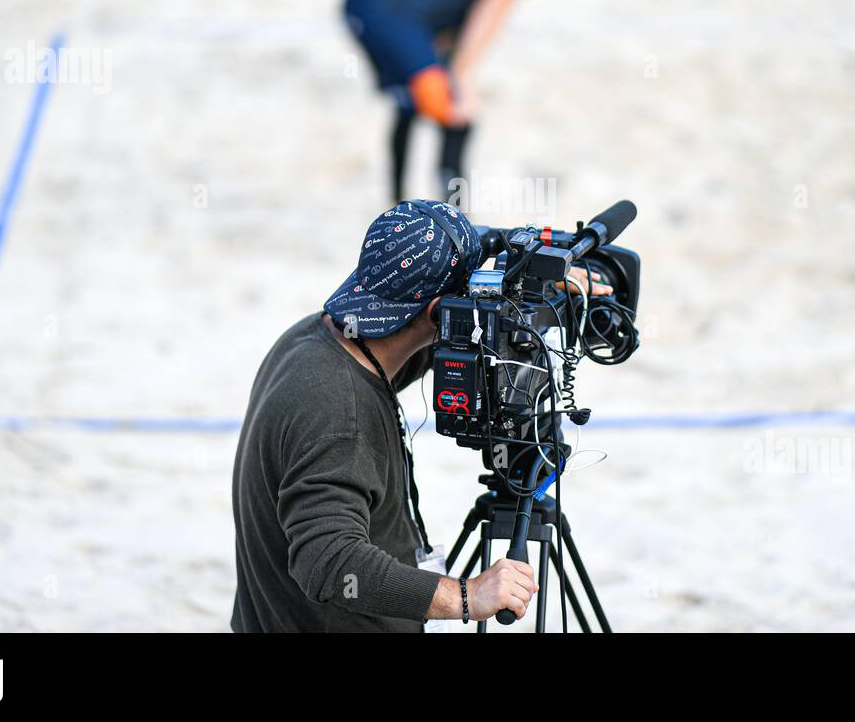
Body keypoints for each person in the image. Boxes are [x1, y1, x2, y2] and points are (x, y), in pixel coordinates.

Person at [230, 199, 611, 632]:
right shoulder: (340, 414)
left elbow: (411, 346)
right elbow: (329, 562)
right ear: (439, 314)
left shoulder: (314, 339)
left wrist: (528, 284)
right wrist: (468, 596)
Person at [344, 0, 594, 203]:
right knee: (456, 113)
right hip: (394, 15)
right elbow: (492, 8)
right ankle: (453, 222)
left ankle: (397, 205)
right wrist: (463, 75)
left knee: (410, 103)